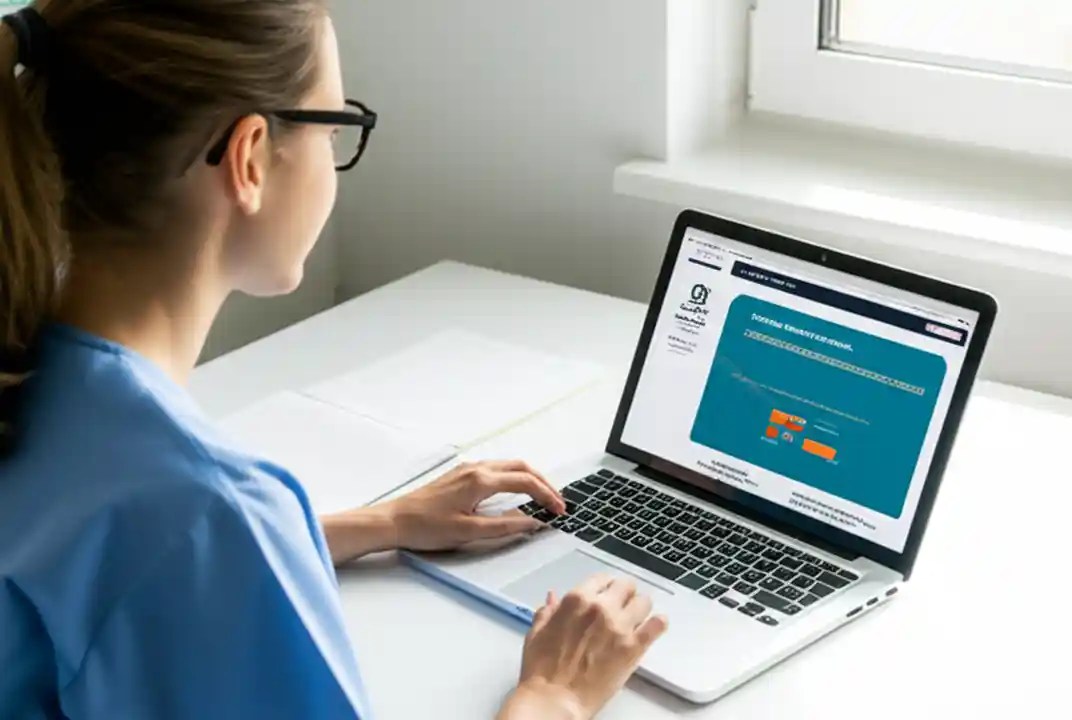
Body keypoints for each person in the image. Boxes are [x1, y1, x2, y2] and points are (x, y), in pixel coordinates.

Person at [0, 2, 666, 718]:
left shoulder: (39, 387)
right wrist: (552, 696)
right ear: (251, 157)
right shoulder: (205, 511)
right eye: (335, 125)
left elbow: (105, 564)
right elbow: (178, 544)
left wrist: (378, 523)